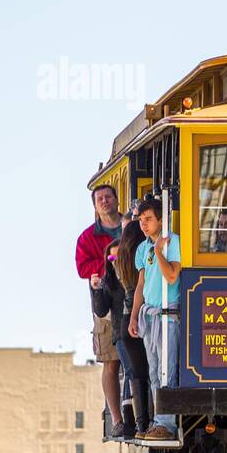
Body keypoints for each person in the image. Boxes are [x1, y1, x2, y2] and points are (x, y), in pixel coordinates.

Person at [128, 198, 182, 442]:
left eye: (148, 219)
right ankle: (157, 419)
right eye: (140, 220)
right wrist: (133, 316)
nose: (144, 225)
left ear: (161, 219)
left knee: (166, 369)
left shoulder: (172, 242)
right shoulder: (142, 249)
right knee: (154, 370)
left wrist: (159, 250)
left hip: (167, 314)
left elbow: (171, 276)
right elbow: (140, 284)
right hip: (149, 314)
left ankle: (167, 423)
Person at [75, 184, 124, 432]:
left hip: (137, 298)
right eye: (99, 199)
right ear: (95, 205)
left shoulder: (131, 226)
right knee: (111, 361)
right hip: (106, 307)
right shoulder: (87, 237)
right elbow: (83, 268)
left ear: (117, 200)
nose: (104, 201)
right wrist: (112, 261)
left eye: (108, 197)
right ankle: (116, 419)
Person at [113, 222, 152, 435]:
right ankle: (149, 421)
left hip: (125, 321)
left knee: (136, 373)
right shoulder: (141, 260)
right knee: (150, 372)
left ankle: (141, 424)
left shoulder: (121, 262)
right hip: (139, 318)